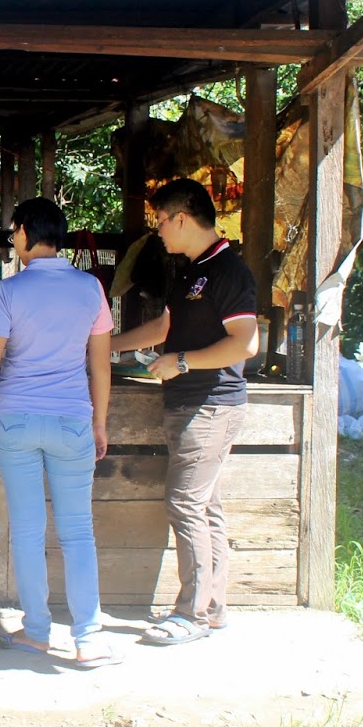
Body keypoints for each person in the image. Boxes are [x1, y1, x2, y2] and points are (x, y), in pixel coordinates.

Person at [0, 198, 119, 668]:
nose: (13, 242)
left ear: (23, 233)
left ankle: (38, 630)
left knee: (27, 529)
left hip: (15, 421)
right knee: (78, 531)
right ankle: (89, 637)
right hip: (71, 421)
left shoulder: (10, 292)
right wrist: (98, 422)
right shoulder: (90, 289)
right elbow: (99, 364)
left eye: (13, 234)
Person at [111, 178, 257, 646]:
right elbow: (163, 326)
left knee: (185, 503)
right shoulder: (193, 270)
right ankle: (212, 609)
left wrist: (183, 361)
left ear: (180, 218)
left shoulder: (231, 271)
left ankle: (190, 614)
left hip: (211, 404)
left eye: (159, 222)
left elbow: (245, 343)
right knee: (205, 506)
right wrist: (104, 345)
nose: (158, 231)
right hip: (188, 403)